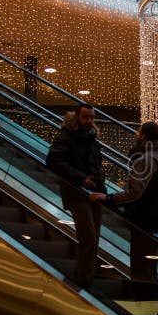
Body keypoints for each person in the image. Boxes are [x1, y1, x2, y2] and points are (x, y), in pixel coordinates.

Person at [90, 122, 158, 305]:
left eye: (138, 132)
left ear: (142, 136)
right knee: (150, 271)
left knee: (141, 272)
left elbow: (135, 192)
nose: (136, 134)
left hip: (143, 221)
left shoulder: (145, 159)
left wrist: (109, 198)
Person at [46, 104, 107, 288]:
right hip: (76, 191)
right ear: (77, 118)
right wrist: (80, 178)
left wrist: (102, 190)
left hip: (95, 193)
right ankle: (83, 279)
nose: (89, 121)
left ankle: (86, 277)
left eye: (92, 118)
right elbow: (53, 160)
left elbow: (96, 166)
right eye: (86, 117)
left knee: (93, 237)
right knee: (88, 236)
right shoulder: (66, 136)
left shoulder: (93, 140)